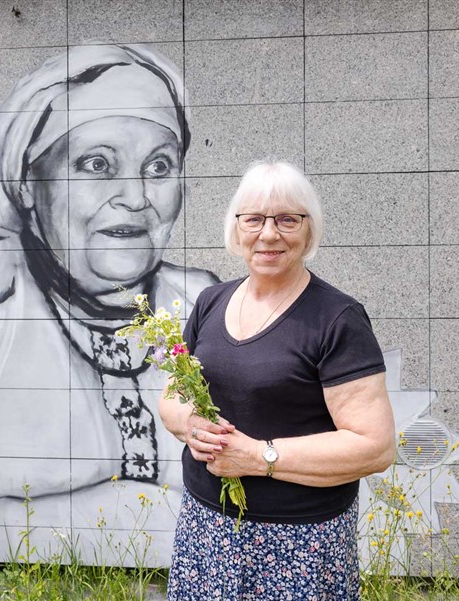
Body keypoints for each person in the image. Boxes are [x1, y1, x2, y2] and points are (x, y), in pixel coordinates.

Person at [0, 44, 218, 508]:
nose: (135, 197)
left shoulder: (200, 302)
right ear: (29, 183)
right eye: (97, 164)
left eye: (159, 166)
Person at [160, 161, 396, 599]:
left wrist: (259, 457)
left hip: (298, 543)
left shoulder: (337, 319)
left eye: (287, 219)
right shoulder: (211, 302)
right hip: (206, 529)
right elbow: (174, 395)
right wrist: (190, 424)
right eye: (254, 219)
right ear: (237, 229)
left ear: (309, 231)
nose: (269, 234)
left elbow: (375, 446)